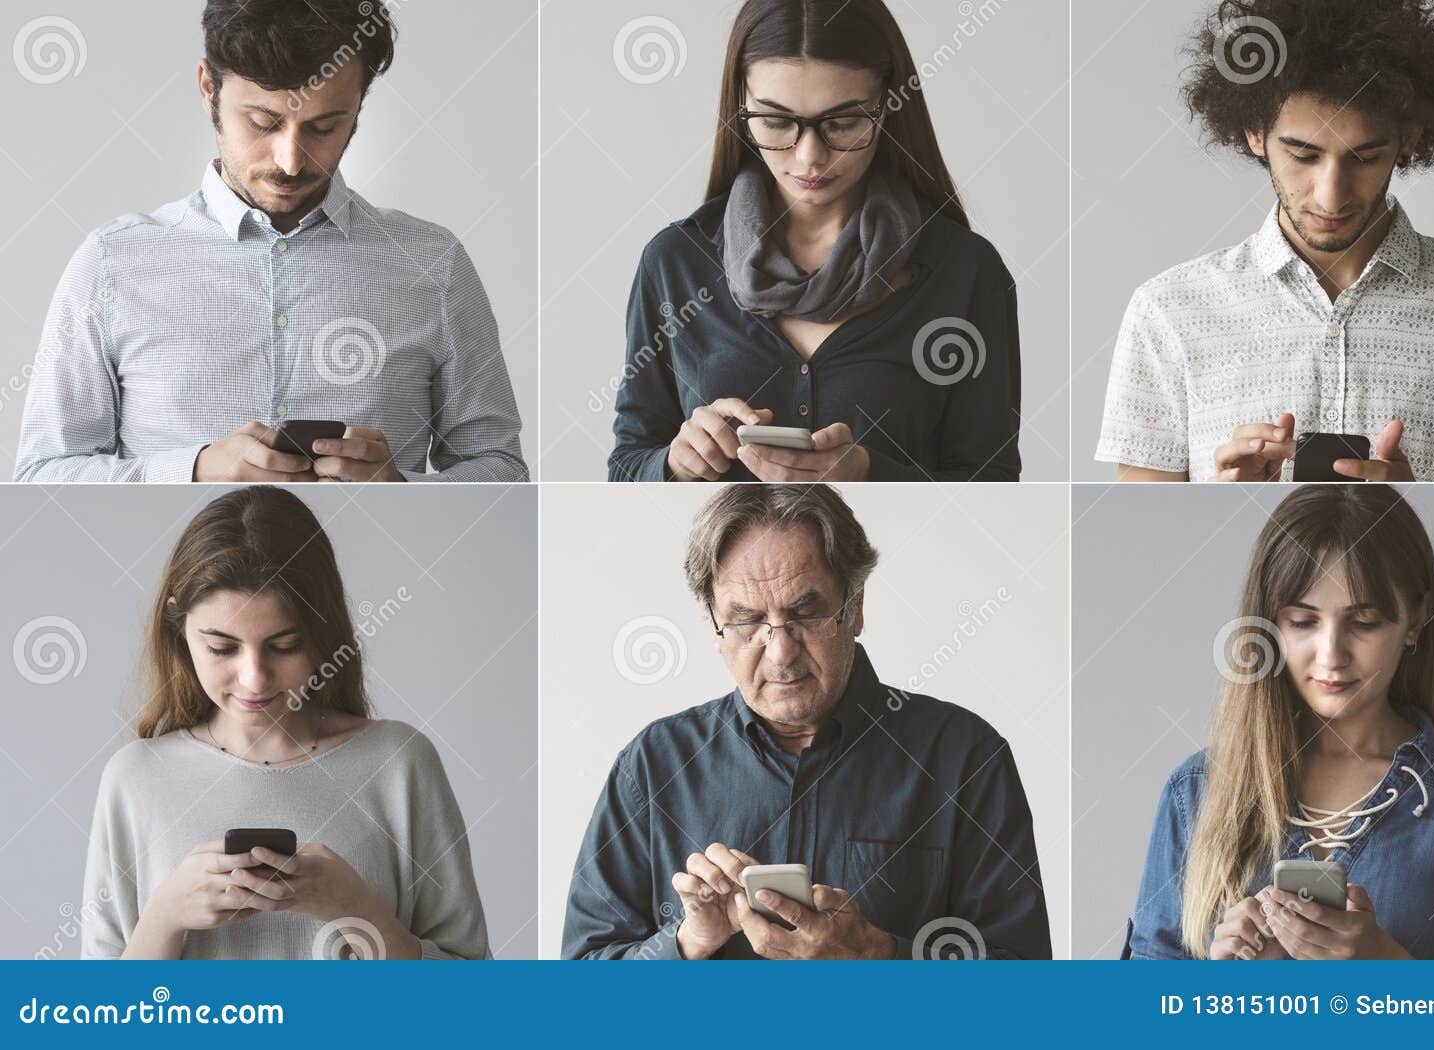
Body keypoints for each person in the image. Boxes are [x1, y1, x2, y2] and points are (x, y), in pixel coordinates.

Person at [16, 0, 526, 483]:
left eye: (324, 126)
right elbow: (42, 477)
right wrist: (190, 470)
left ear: (358, 107)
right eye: (263, 122)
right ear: (207, 88)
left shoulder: (434, 264)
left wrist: (402, 488)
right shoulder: (111, 263)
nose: (290, 160)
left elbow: (501, 469)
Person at [563, 485, 1049, 958]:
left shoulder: (965, 757)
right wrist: (687, 942)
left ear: (855, 607)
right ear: (714, 624)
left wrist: (878, 958)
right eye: (747, 620)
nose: (780, 652)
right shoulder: (652, 765)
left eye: (805, 612)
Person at [1097, 0, 1434, 483]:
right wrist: (1222, 508)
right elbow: (1156, 541)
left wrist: (1419, 505)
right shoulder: (1167, 311)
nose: (1331, 194)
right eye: (1302, 155)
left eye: (1364, 157)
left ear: (1409, 139)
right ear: (1256, 133)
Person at [609, 0, 1021, 484]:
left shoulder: (966, 272)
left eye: (843, 123)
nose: (810, 157)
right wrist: (674, 464)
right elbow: (626, 466)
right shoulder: (675, 263)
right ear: (739, 108)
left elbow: (992, 483)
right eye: (777, 121)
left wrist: (871, 476)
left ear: (888, 107)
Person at [81, 487, 490, 959]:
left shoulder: (399, 763)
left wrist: (353, 908)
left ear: (322, 633)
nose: (254, 679)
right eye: (222, 647)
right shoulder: (135, 777)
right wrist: (166, 917)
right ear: (179, 628)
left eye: (284, 644)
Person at [1127, 485, 1434, 959]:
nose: (1331, 656)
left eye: (1363, 622)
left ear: (1416, 621)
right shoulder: (1196, 790)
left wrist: (1390, 971)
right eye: (1302, 621)